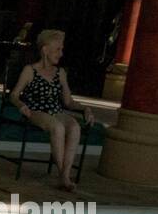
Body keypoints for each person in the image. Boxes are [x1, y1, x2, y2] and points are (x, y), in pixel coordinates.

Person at [9, 29, 95, 191]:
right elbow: (14, 95)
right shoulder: (30, 70)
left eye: (61, 49)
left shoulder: (60, 73)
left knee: (75, 127)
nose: (61, 53)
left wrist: (86, 109)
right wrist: (21, 105)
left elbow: (68, 101)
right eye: (58, 49)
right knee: (57, 127)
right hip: (35, 111)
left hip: (55, 111)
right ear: (45, 50)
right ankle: (64, 177)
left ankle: (65, 175)